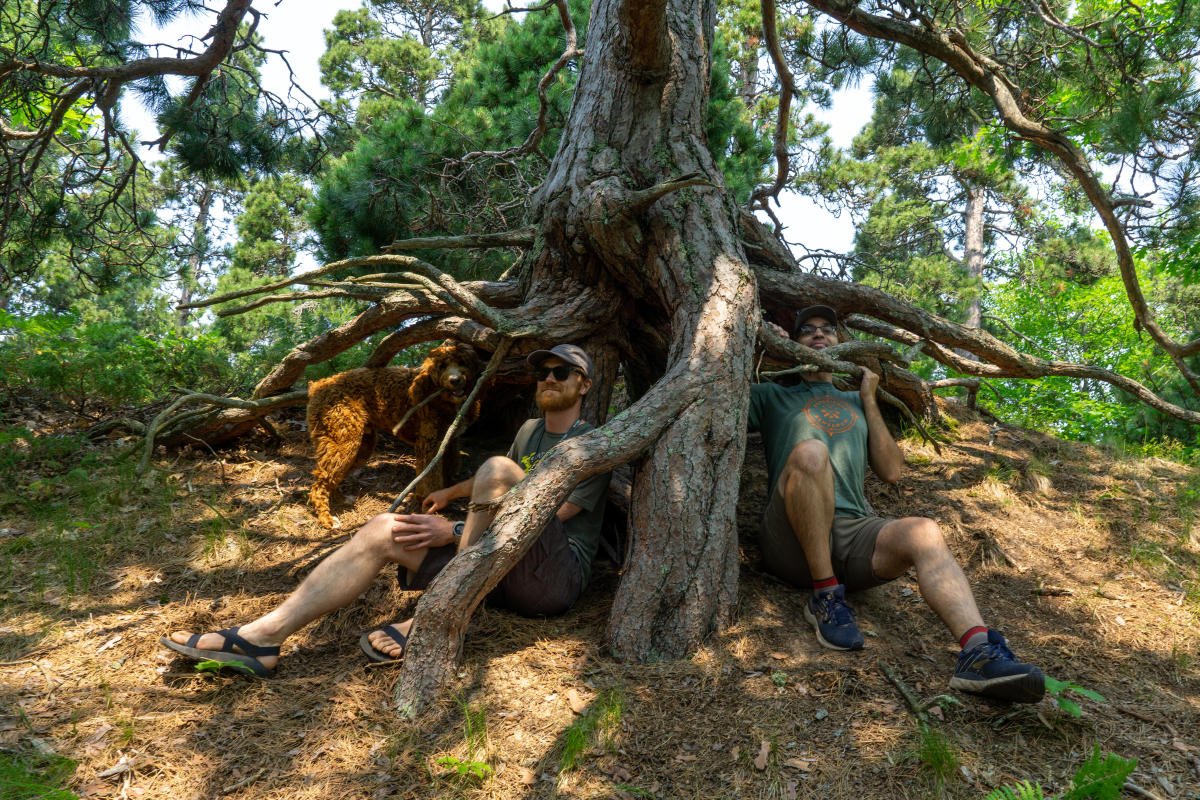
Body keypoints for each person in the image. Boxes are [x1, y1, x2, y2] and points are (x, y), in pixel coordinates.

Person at [161, 344, 611, 676]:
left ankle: (439, 615)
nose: (549, 379)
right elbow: (491, 486)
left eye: (562, 372)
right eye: (543, 373)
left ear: (584, 385)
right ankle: (262, 638)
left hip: (550, 578)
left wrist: (453, 530)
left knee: (496, 464)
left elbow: (558, 512)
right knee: (382, 528)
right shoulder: (530, 430)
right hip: (496, 570)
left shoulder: (592, 443)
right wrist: (452, 492)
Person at [750, 306, 1045, 702]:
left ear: (843, 345)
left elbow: (891, 471)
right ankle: (824, 597)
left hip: (854, 533)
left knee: (925, 530)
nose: (818, 336)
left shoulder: (855, 399)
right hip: (790, 538)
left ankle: (978, 653)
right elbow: (718, 398)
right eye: (806, 331)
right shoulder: (772, 393)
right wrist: (758, 351)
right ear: (794, 343)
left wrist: (869, 400)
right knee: (811, 453)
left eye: (828, 331)